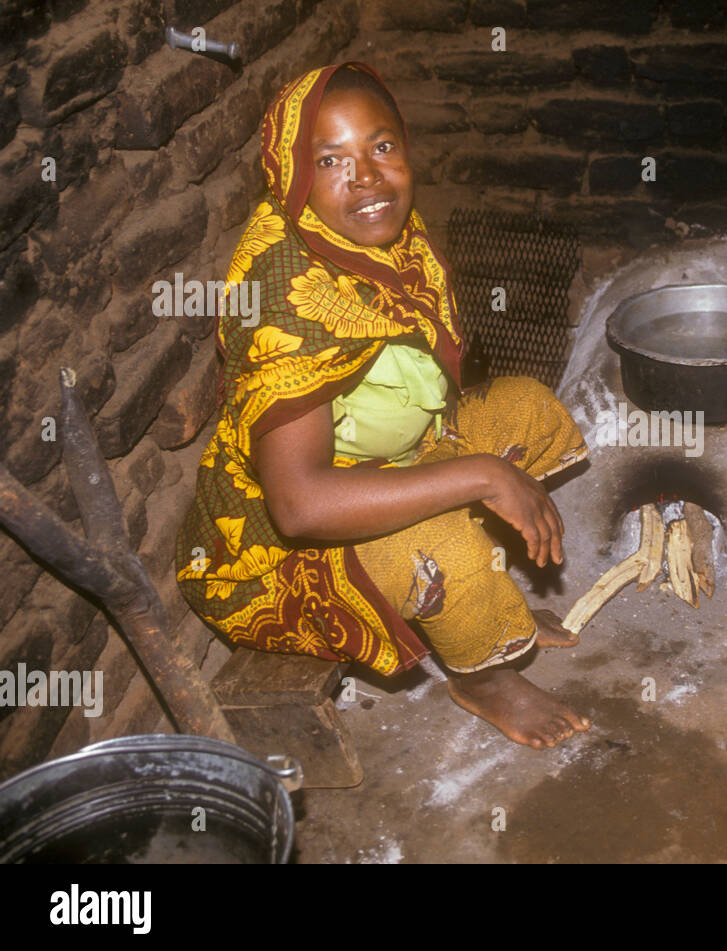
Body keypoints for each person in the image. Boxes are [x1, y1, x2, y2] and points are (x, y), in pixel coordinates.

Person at [175, 62, 591, 749]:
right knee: (449, 548)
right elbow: (299, 507)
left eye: (382, 147)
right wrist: (482, 475)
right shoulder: (287, 299)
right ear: (295, 174)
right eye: (331, 158)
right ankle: (482, 673)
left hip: (384, 456)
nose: (365, 177)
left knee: (527, 410)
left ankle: (488, 615)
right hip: (274, 557)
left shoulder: (377, 233)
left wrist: (480, 466)